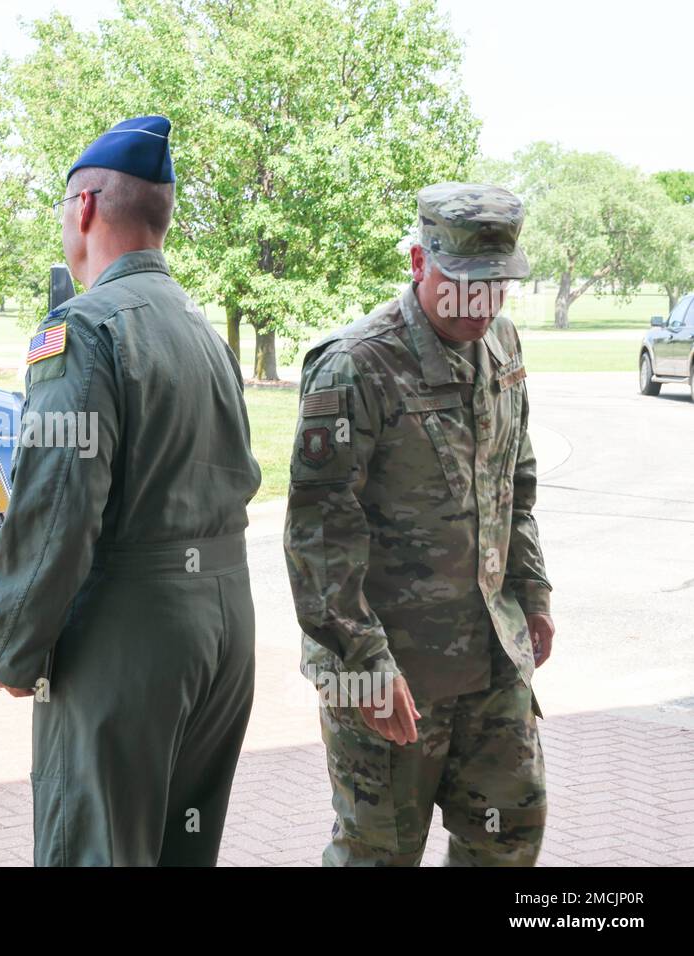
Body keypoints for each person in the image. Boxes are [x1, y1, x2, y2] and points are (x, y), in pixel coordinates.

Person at [0, 116, 262, 866]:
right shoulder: (199, 326)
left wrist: (13, 647)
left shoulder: (83, 328)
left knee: (93, 848)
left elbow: (62, 506)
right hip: (222, 624)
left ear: (85, 207)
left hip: (129, 632)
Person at [283, 182, 554, 867]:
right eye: (464, 281)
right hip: (389, 673)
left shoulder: (502, 343)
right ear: (417, 262)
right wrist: (363, 664)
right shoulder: (355, 366)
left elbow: (514, 483)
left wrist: (534, 593)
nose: (480, 302)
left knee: (508, 837)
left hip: (492, 659)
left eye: (496, 285)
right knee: (377, 856)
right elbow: (320, 536)